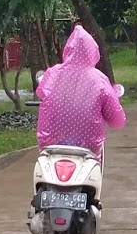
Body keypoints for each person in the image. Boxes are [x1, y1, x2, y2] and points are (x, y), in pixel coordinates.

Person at [35, 25, 125, 158]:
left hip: (50, 144)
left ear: (69, 49)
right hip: (88, 147)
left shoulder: (53, 74)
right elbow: (116, 119)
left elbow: (41, 92)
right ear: (92, 51)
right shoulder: (99, 80)